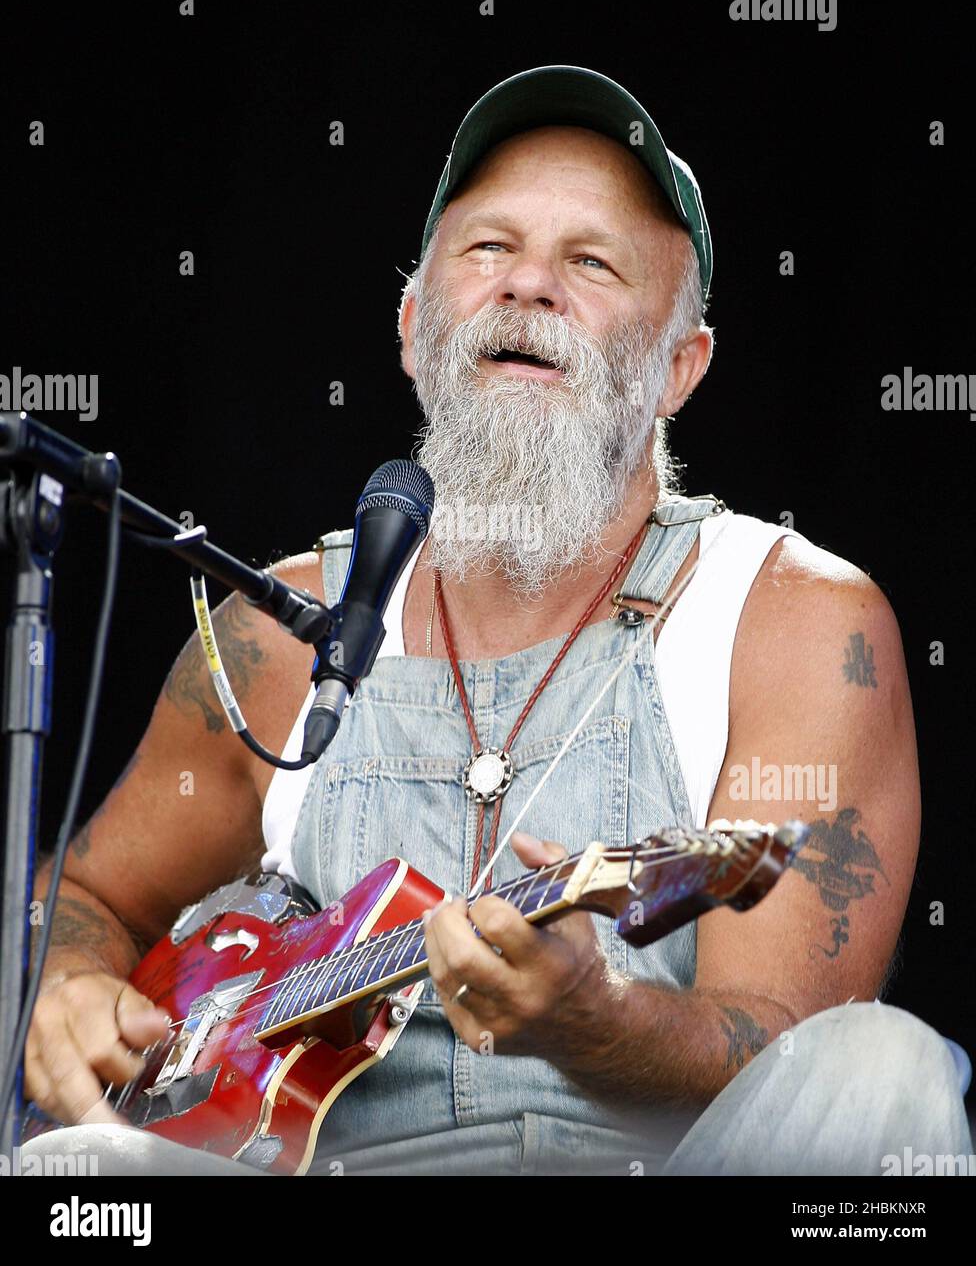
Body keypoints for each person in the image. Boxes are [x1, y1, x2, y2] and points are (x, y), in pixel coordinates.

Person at [25, 66, 971, 1176]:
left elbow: (784, 1048)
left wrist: (594, 1017)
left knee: (881, 1072)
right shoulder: (284, 630)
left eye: (591, 261)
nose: (528, 285)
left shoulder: (795, 622)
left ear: (680, 366)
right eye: (488, 250)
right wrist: (68, 984)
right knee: (73, 1171)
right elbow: (85, 892)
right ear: (415, 325)